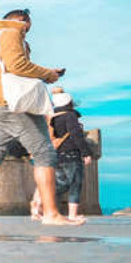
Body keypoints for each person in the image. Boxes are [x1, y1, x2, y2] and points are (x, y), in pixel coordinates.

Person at [0, 9, 78, 225]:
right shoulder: (11, 33)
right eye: (28, 23)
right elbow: (17, 66)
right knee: (44, 152)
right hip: (12, 104)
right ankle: (51, 213)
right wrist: (48, 74)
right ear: (23, 21)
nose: (28, 29)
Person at [49, 91, 95, 220]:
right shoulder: (69, 116)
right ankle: (72, 215)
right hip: (71, 154)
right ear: (69, 103)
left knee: (61, 184)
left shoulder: (52, 117)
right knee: (75, 184)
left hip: (56, 154)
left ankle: (41, 201)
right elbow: (76, 134)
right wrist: (86, 153)